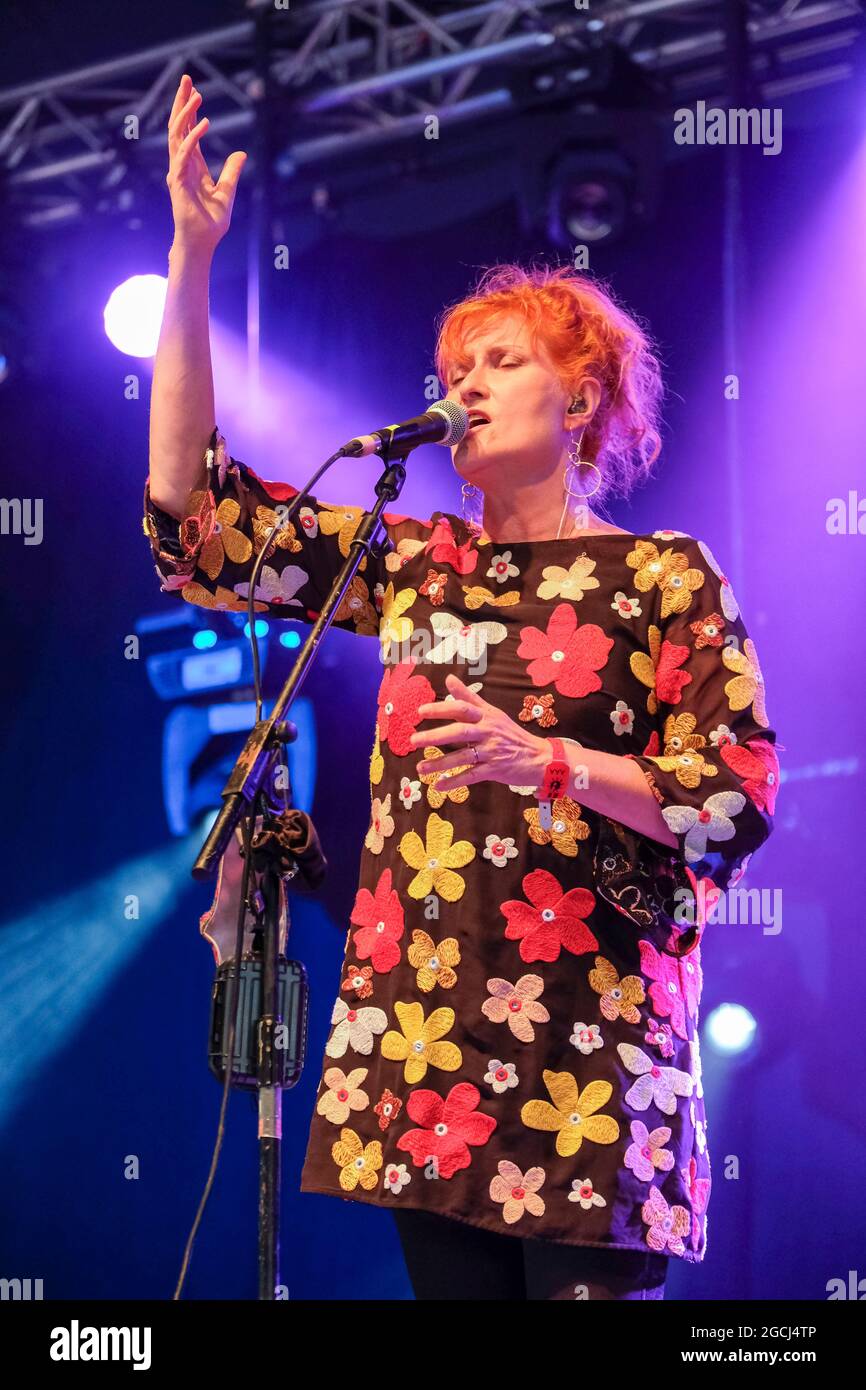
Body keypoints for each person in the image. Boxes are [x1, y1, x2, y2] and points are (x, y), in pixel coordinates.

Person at [145, 76, 781, 1301]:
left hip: (593, 1066)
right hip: (425, 1061)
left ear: (581, 396)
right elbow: (196, 519)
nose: (465, 382)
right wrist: (188, 260)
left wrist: (546, 760)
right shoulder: (419, 565)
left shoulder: (658, 576)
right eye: (452, 364)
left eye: (500, 358)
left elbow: (732, 803)